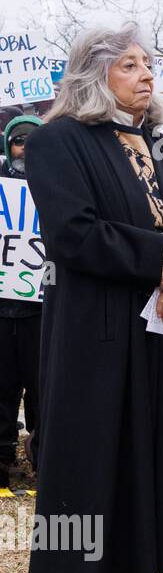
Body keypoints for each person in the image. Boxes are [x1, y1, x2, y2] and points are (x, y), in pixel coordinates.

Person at [23, 24, 163, 573]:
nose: (145, 74)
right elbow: (73, 233)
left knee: (142, 454)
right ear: (93, 73)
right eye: (129, 64)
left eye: (148, 64)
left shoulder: (159, 146)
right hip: (95, 333)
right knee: (90, 456)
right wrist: (155, 267)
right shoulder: (58, 142)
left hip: (162, 332)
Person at [0, 115, 44, 489]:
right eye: (18, 142)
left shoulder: (56, 185)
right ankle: (3, 465)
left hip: (40, 310)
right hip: (1, 310)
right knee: (2, 390)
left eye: (32, 141)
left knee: (42, 390)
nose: (24, 149)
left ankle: (43, 461)